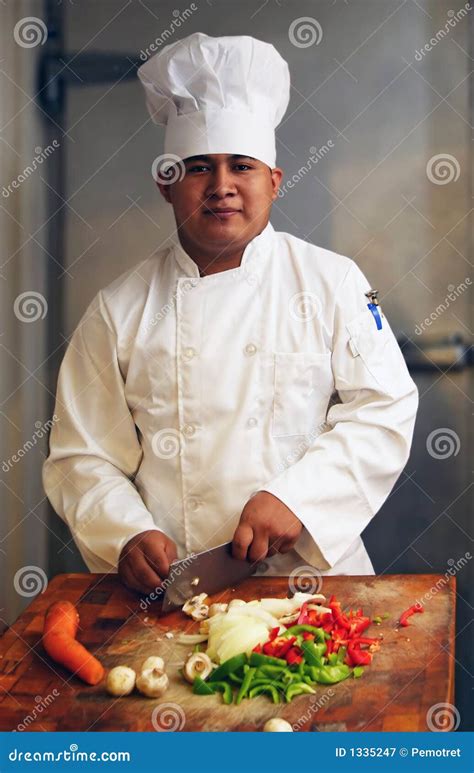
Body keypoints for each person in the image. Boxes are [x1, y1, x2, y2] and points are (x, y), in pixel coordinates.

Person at [42, 32, 418, 595]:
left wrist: (298, 497)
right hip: (180, 593)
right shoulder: (118, 310)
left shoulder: (332, 281)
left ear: (273, 181)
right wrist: (125, 533)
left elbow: (386, 408)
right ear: (167, 186)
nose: (222, 188)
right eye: (198, 168)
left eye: (241, 166)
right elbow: (82, 455)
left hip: (316, 588)